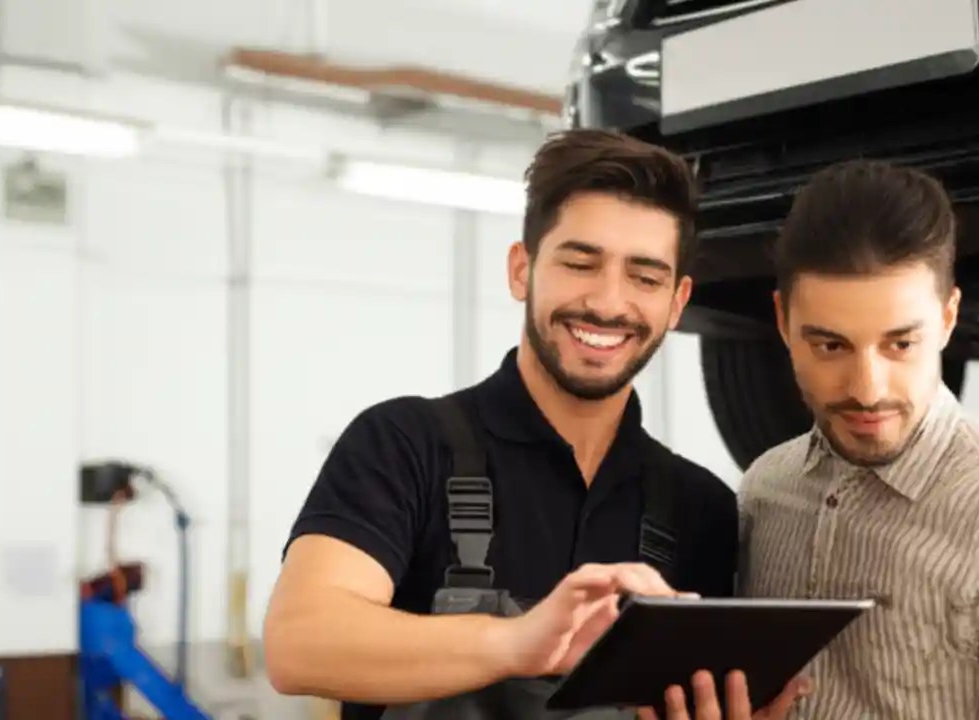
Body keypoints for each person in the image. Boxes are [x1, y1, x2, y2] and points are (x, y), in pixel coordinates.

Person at [263, 128, 807, 720]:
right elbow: (299, 644)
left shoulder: (699, 508)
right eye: (580, 263)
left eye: (644, 278)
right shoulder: (405, 444)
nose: (606, 301)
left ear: (676, 303)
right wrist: (517, 643)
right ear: (522, 270)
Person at [737, 159, 979, 718]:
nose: (867, 389)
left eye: (900, 344)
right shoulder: (765, 492)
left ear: (948, 318)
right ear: (783, 324)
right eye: (831, 346)